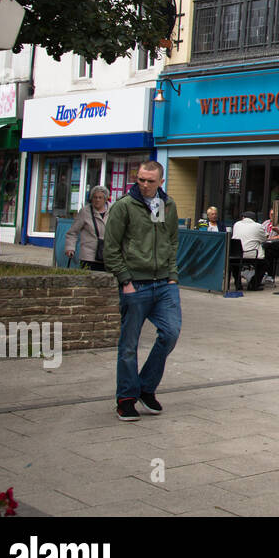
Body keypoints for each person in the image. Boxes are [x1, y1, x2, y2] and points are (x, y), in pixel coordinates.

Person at [102, 160, 180, 422]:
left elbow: (171, 241)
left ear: (161, 181)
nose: (144, 185)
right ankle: (125, 398)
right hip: (135, 283)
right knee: (129, 344)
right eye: (141, 180)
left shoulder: (166, 205)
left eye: (150, 181)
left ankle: (145, 387)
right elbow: (110, 248)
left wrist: (172, 276)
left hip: (164, 284)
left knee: (170, 333)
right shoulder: (124, 206)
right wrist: (126, 280)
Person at [65, 185, 110, 271]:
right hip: (88, 256)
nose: (97, 200)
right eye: (95, 197)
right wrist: (70, 247)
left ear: (105, 199)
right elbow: (72, 232)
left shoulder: (113, 210)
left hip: (107, 255)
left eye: (100, 197)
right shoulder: (85, 212)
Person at [230, 210, 267, 291]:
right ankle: (254, 284)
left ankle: (238, 283)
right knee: (263, 264)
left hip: (236, 254)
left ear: (243, 217)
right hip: (251, 254)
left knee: (235, 265)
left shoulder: (236, 224)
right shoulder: (258, 226)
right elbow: (264, 239)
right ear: (254, 219)